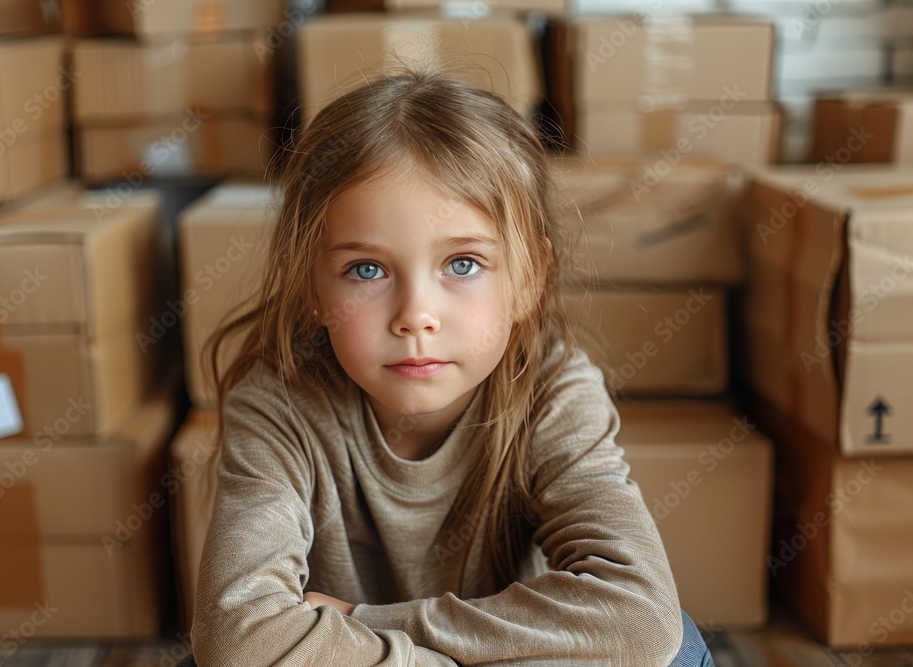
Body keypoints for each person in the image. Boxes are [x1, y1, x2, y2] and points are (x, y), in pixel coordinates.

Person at [188, 67, 715, 666]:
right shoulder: (278, 405)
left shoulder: (552, 389)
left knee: (680, 644)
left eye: (462, 265)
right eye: (367, 270)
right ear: (313, 287)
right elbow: (238, 637)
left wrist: (364, 624)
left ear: (528, 279)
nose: (416, 316)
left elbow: (639, 619)